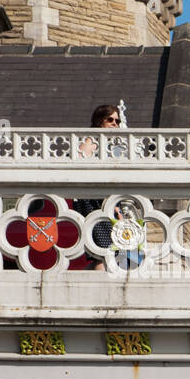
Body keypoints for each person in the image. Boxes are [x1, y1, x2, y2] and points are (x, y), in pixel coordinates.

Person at [72, 105, 122, 269]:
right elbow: (77, 164)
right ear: (100, 121)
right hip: (93, 201)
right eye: (111, 120)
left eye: (117, 121)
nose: (115, 123)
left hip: (105, 200)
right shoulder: (91, 141)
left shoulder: (105, 143)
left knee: (110, 250)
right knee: (102, 251)